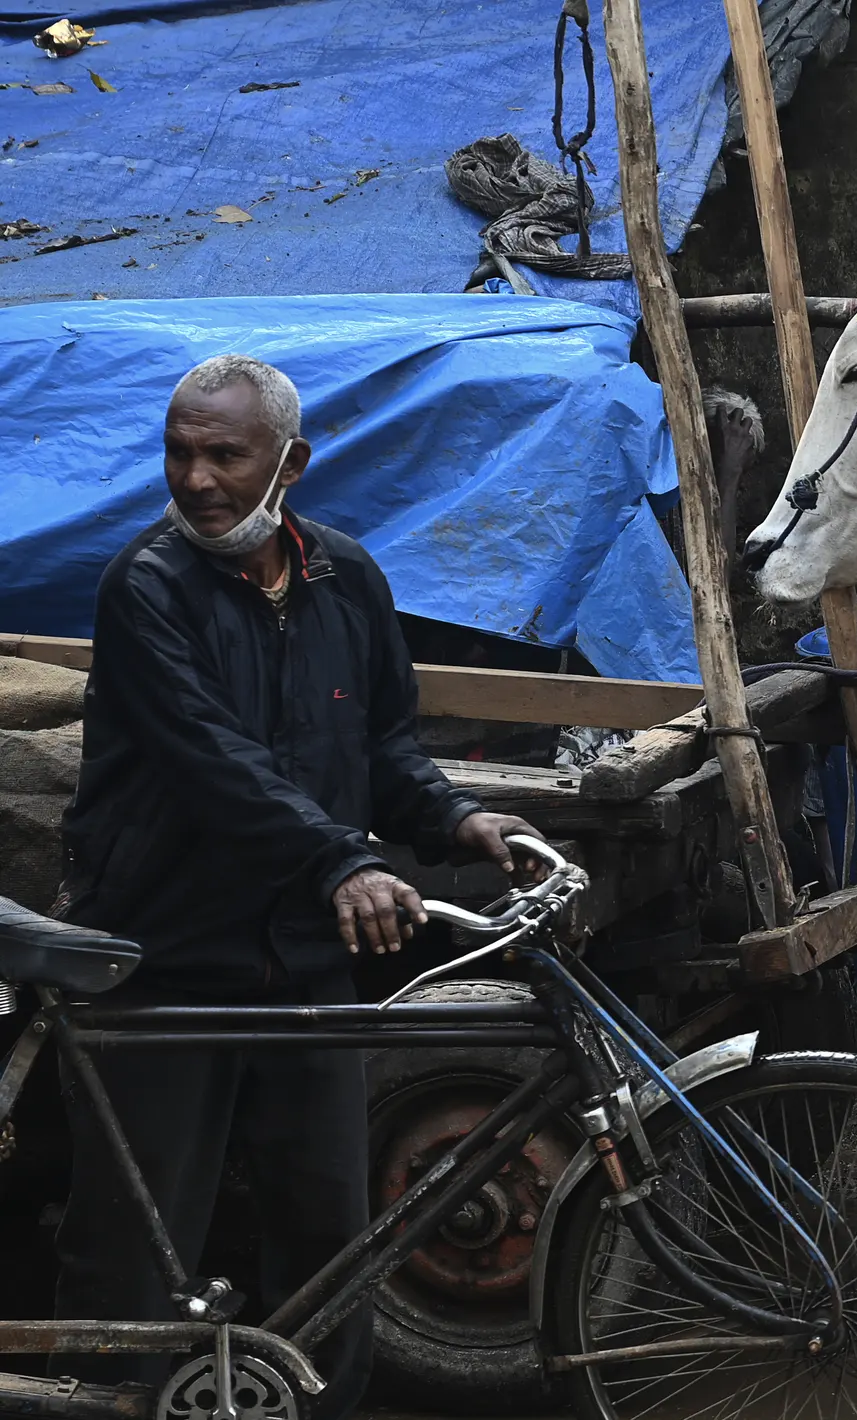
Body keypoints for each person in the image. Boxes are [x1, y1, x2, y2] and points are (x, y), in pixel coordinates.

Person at [51, 353, 541, 1417]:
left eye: (224, 454)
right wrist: (342, 859)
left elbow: (384, 746)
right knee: (134, 1251)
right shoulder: (144, 588)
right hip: (163, 955)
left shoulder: (346, 577)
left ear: (291, 464)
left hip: (312, 966)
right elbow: (214, 763)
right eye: (178, 453)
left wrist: (452, 815)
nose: (194, 479)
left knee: (331, 1238)